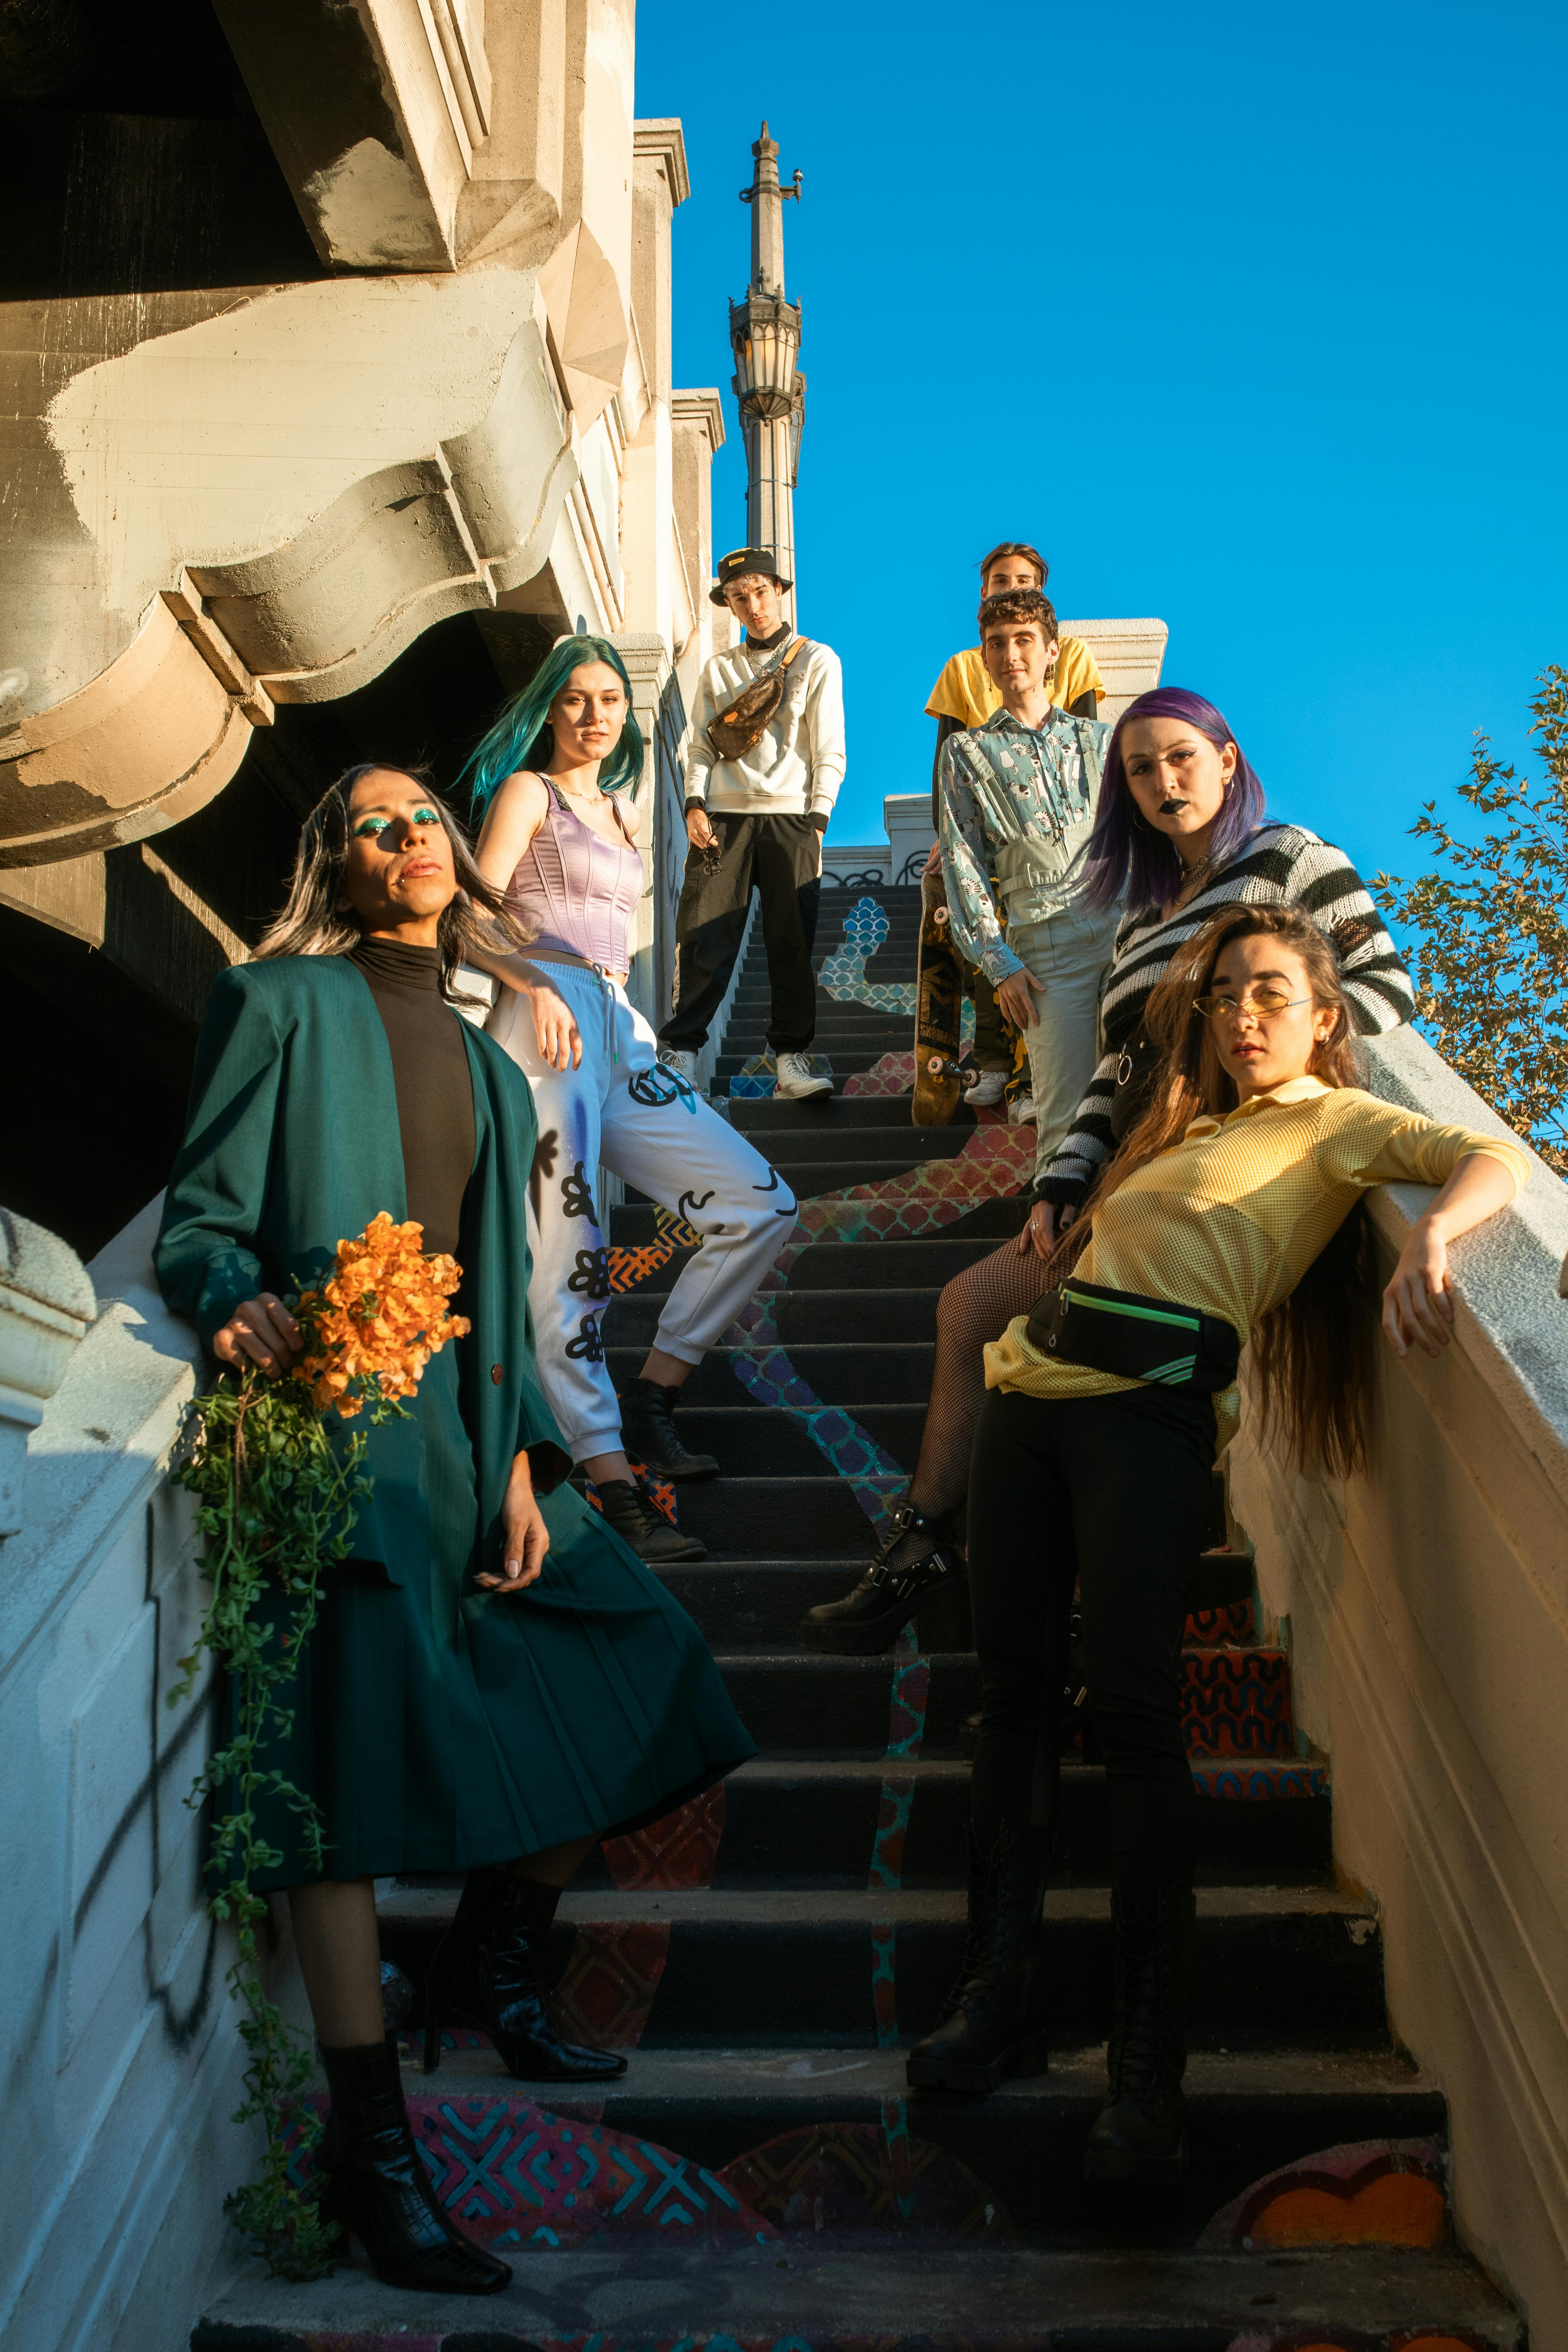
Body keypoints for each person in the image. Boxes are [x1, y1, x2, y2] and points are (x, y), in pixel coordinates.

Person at [155, 767, 754, 2296]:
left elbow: (502, 1285)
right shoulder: (274, 1003)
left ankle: (490, 1963)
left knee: (643, 1663)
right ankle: (377, 2155)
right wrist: (234, 1301)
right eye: (372, 824)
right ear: (335, 866)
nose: (408, 837)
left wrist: (523, 1463)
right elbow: (202, 1219)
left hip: (475, 1436)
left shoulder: (495, 1062)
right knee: (343, 1782)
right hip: (337, 1429)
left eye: (424, 816)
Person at [903, 903, 1526, 2185]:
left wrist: (1431, 1231)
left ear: (1322, 1015)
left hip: (1149, 1415)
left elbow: (1487, 1153)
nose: (1242, 1013)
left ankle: (1147, 2063)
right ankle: (995, 1993)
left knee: (1135, 1714)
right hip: (1026, 1400)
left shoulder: (1336, 1120)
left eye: (1269, 993)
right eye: (1227, 993)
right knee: (1011, 1700)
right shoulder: (1181, 1127)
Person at [801, 688, 1415, 1656]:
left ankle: (1051, 1610)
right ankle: (931, 1550)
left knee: (1068, 1380)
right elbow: (1112, 1071)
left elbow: (1382, 987)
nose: (1162, 781)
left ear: (1226, 760)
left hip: (1213, 1180)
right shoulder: (1135, 919)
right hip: (1125, 1175)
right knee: (972, 1309)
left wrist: (1257, 1097)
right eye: (1138, 769)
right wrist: (1058, 1180)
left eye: (1180, 757)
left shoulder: (1289, 859)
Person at [460, 636, 797, 1563]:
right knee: (568, 1254)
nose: (595, 715)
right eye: (575, 698)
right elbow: (471, 911)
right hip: (547, 1019)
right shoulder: (529, 791)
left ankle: (654, 1395)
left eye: (610, 699)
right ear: (550, 708)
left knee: (760, 1203)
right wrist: (529, 983)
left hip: (618, 1023)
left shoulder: (622, 809)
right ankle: (609, 1479)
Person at [924, 542, 1107, 1116]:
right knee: (1063, 1110)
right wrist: (998, 962)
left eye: (1024, 640)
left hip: (1118, 926)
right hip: (1042, 936)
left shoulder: (1099, 742)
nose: (1011, 655)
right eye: (997, 644)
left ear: (1052, 651)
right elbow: (964, 860)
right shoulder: (966, 751)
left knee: (1142, 1096)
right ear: (983, 657)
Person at [657, 546, 846, 1101]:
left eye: (761, 591)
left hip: (793, 818)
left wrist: (817, 819)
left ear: (779, 591)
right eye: (739, 597)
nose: (753, 605)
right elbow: (699, 745)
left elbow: (829, 746)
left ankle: (790, 1062)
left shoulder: (817, 659)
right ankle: (681, 1055)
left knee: (791, 944)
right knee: (704, 937)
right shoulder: (719, 669)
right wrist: (694, 804)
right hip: (722, 817)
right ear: (730, 605)